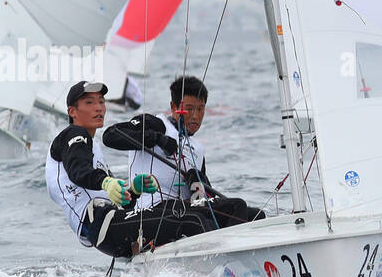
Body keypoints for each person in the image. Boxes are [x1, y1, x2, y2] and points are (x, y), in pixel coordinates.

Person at [45, 80, 213, 260]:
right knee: (191, 219)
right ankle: (216, 260)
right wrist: (106, 182)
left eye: (101, 101)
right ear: (72, 111)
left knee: (190, 215)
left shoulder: (92, 147)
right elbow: (78, 171)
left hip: (110, 225)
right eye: (90, 102)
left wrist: (133, 191)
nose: (99, 108)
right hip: (102, 225)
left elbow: (117, 201)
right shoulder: (75, 135)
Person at [102, 74, 265, 227]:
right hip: (153, 210)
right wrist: (158, 139)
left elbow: (199, 199)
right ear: (173, 107)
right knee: (237, 205)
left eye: (201, 109)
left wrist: (198, 183)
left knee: (256, 215)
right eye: (189, 108)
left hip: (184, 211)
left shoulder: (198, 150)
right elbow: (111, 135)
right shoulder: (155, 124)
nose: (195, 116)